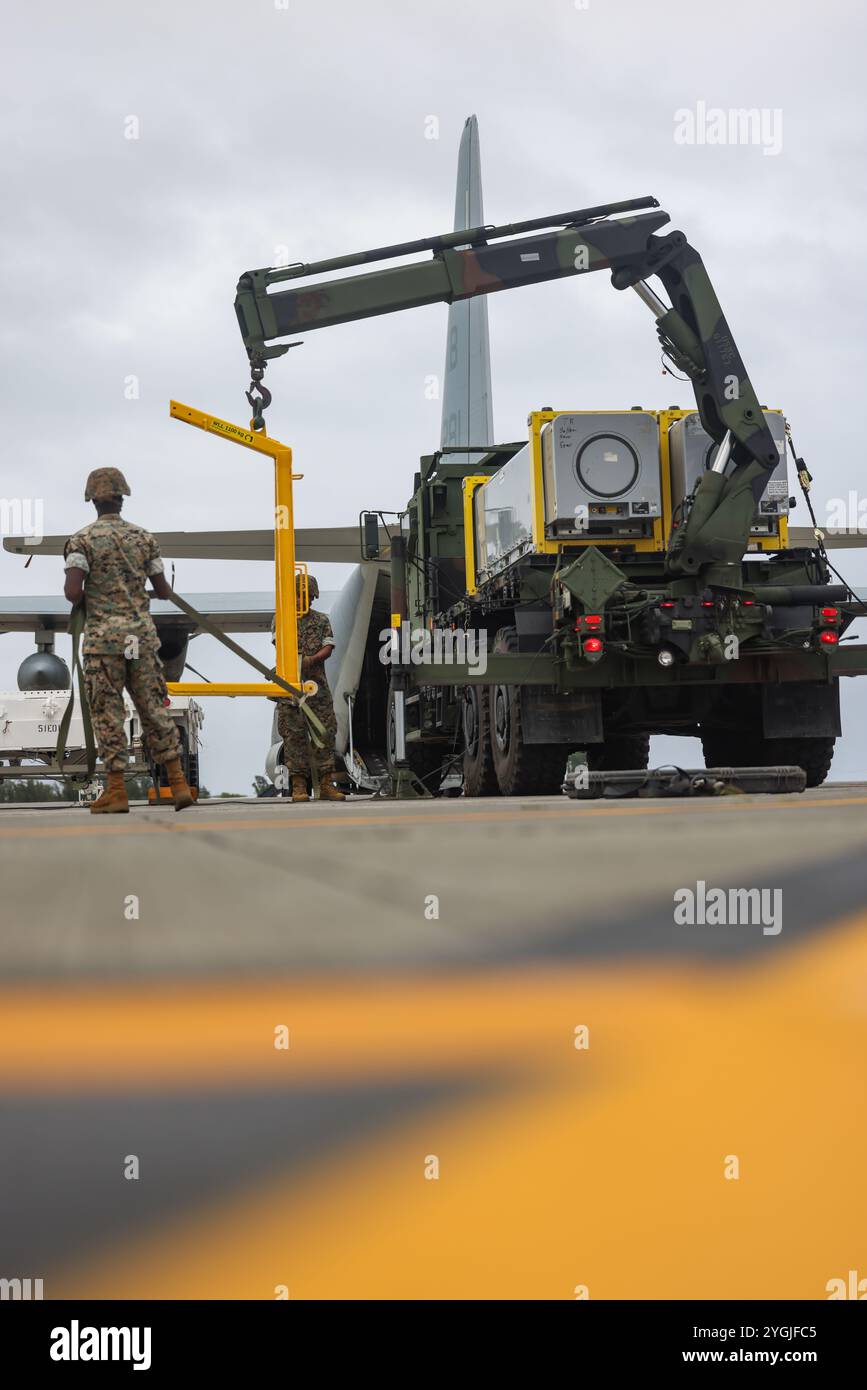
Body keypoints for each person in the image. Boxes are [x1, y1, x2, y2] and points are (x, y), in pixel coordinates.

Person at [63, 467, 195, 814]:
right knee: (153, 709)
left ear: (92, 499)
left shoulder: (82, 541)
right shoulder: (144, 538)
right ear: (123, 497)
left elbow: (73, 592)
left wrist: (96, 594)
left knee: (108, 713)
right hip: (141, 637)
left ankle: (117, 790)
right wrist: (135, 590)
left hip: (104, 642)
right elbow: (164, 591)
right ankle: (178, 784)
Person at [273, 574, 345, 802]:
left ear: (312, 597)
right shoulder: (282, 619)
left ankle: (326, 784)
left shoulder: (321, 620)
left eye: (306, 596)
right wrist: (296, 660)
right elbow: (279, 644)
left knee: (324, 735)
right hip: (290, 691)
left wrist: (311, 660)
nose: (301, 600)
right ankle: (299, 787)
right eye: (297, 595)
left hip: (317, 690)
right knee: (294, 738)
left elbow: (329, 646)